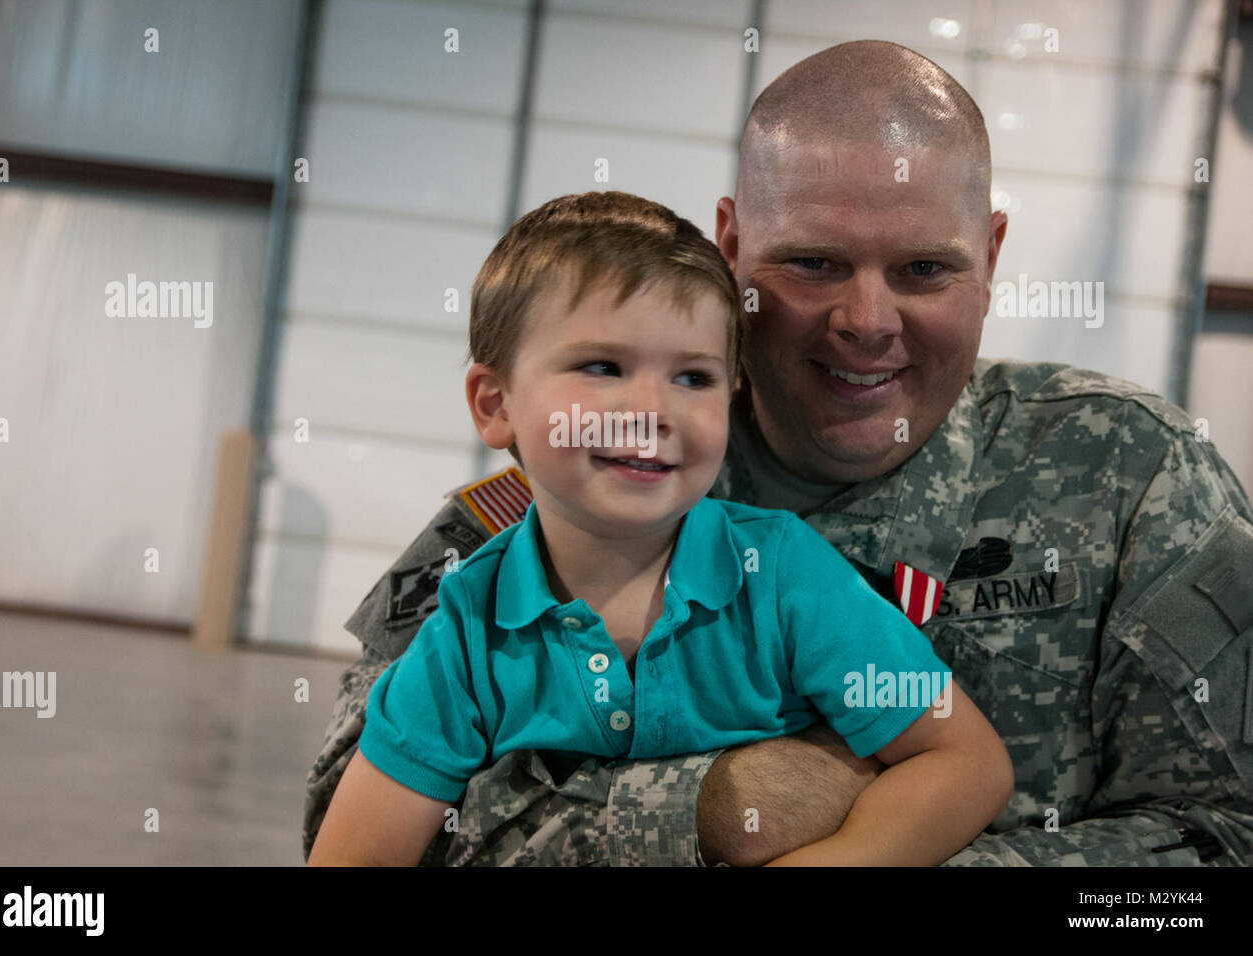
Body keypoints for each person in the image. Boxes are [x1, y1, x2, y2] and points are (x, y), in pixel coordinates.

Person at [303, 40, 1253, 866]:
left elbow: (1218, 851)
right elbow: (348, 824)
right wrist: (714, 809)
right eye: (813, 264)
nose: (867, 323)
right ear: (731, 248)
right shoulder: (558, 508)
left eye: (924, 269)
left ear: (991, 257)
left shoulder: (1134, 480)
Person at [306, 191, 1014, 866]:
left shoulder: (783, 580)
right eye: (603, 366)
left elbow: (961, 761)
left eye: (694, 378)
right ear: (496, 404)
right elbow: (358, 852)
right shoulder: (468, 629)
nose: (651, 410)